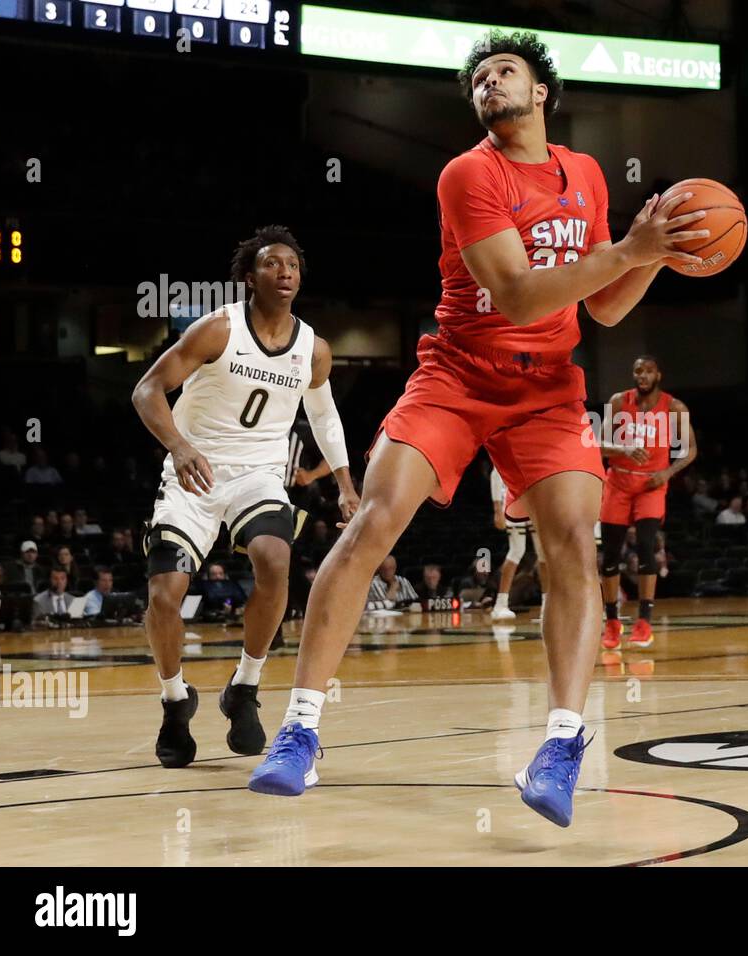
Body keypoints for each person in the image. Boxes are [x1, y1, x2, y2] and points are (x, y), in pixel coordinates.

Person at [247, 30, 706, 828]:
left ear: (541, 93)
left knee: (573, 541)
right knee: (371, 524)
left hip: (549, 391)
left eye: (505, 72)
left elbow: (602, 306)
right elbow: (524, 296)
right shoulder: (468, 173)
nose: (489, 84)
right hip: (457, 375)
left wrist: (651, 258)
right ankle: (300, 730)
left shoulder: (587, 174)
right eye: (479, 80)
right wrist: (628, 249)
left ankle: (561, 746)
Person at [131, 225, 359, 769]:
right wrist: (180, 446)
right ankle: (174, 701)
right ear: (249, 277)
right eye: (273, 264)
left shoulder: (314, 349)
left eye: (293, 266)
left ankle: (245, 686)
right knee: (165, 594)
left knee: (275, 559)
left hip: (259, 474)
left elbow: (324, 418)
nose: (285, 273)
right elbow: (147, 390)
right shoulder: (218, 329)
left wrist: (346, 484)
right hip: (196, 470)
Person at [599, 355, 697, 650]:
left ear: (659, 375)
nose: (641, 375)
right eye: (637, 371)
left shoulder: (674, 407)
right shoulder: (619, 402)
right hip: (618, 480)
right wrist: (624, 448)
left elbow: (690, 449)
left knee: (645, 546)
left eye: (648, 371)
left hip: (651, 485)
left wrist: (667, 472)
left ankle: (644, 622)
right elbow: (598, 444)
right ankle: (612, 622)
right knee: (611, 554)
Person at [487, 465, 547, 623]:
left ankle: (547, 604)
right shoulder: (505, 448)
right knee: (516, 551)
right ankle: (501, 603)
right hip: (514, 500)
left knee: (543, 553)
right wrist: (497, 509)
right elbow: (496, 474)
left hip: (533, 500)